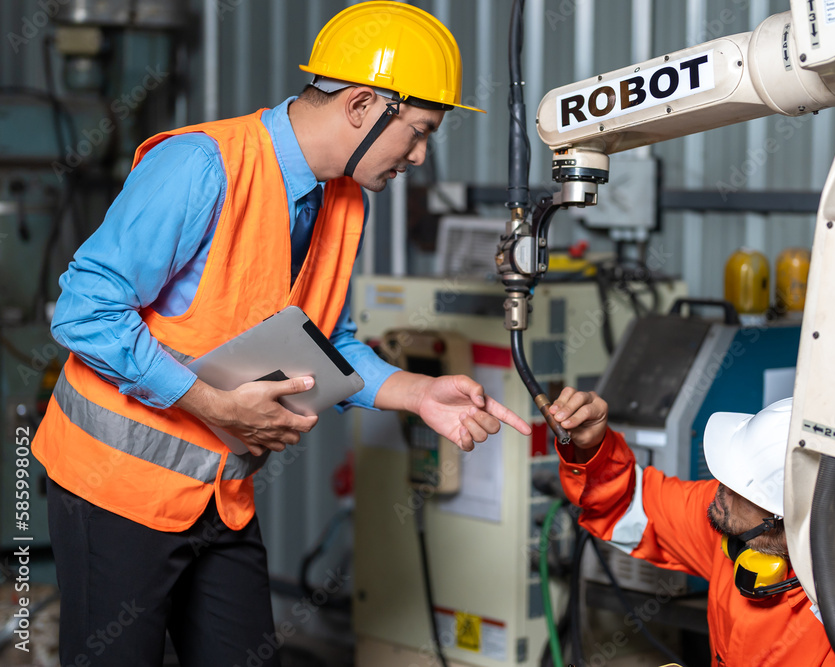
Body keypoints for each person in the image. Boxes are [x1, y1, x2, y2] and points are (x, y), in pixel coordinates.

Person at [32, 3, 531, 665]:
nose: (418, 156)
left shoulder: (340, 199)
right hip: (115, 490)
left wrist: (415, 392)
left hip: (221, 495)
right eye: (417, 132)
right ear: (361, 105)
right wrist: (210, 402)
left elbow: (324, 337)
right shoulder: (202, 166)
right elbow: (83, 311)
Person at [548, 388, 835, 667]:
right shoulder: (730, 519)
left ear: (785, 523)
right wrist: (593, 449)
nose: (721, 488)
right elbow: (630, 504)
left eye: (741, 487)